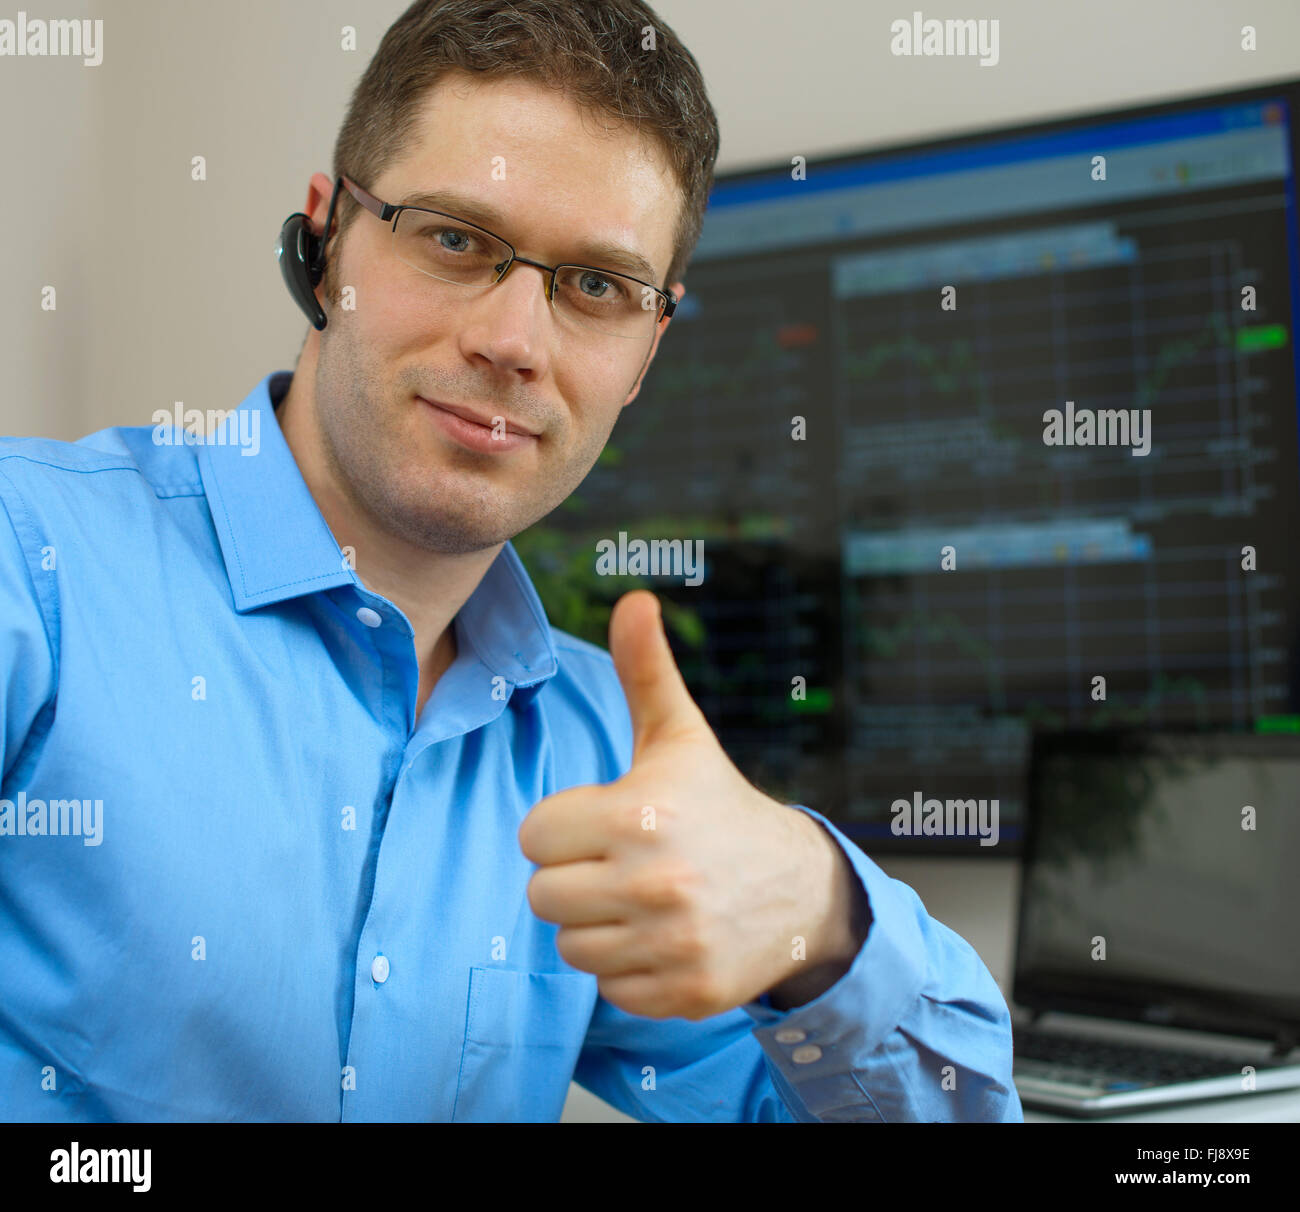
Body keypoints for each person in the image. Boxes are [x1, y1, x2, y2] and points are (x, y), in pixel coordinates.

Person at [0, 0, 1020, 1122]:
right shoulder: (32, 570)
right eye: (454, 239)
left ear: (648, 353)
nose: (514, 344)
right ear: (324, 235)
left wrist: (818, 911)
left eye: (596, 287)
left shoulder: (602, 755)